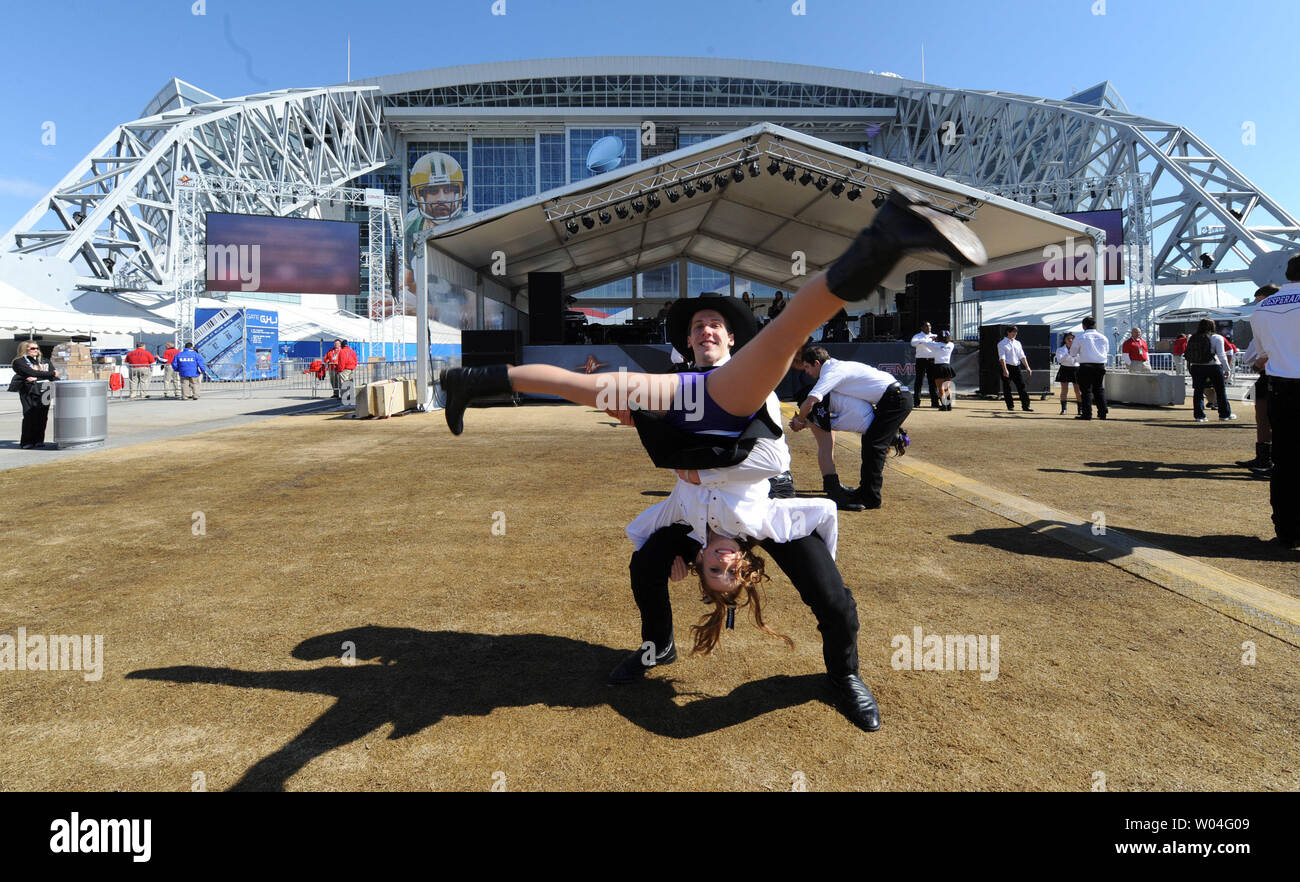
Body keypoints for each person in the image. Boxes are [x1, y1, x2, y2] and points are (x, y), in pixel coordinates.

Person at [440, 186, 988, 731]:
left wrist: (697, 468)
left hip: (766, 506)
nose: (705, 329)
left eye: (715, 325)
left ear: (729, 340)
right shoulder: (674, 388)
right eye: (697, 326)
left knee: (833, 599)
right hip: (702, 504)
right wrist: (655, 438)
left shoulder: (747, 381)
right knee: (604, 419)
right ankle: (658, 646)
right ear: (687, 343)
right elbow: (612, 406)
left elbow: (771, 458)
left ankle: (842, 675)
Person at [789, 344, 912, 511]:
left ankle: (871, 497)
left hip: (895, 399)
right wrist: (805, 422)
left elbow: (810, 402)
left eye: (807, 367)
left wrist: (799, 421)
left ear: (817, 363)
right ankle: (866, 490)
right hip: (893, 397)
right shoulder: (837, 367)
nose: (806, 372)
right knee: (871, 442)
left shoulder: (831, 372)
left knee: (874, 445)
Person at [1248, 256, 1299, 550]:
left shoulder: (1263, 306)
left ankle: (1287, 530)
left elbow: (1262, 355)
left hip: (1281, 388)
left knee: (1286, 461)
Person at [1237, 285, 1279, 476]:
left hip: (1270, 376)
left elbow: (1251, 357)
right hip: (1286, 375)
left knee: (1264, 418)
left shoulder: (1265, 322)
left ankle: (1264, 458)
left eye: (1258, 299)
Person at [1186, 318, 1237, 422]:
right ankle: (1224, 414)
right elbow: (1222, 355)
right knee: (1220, 391)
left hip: (1196, 366)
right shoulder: (1217, 337)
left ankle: (1199, 416)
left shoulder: (1193, 338)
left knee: (1198, 392)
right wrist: (1227, 369)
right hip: (1213, 366)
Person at [10, 340, 58, 449]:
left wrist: (41, 376)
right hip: (29, 389)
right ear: (25, 349)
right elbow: (31, 373)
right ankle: (27, 441)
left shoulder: (44, 361)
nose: (36, 350)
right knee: (29, 415)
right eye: (32, 348)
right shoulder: (19, 361)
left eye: (37, 348)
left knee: (42, 416)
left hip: (47, 389)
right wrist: (49, 374)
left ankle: (39, 440)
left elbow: (55, 376)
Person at [1069, 316, 1109, 420]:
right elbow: (1106, 351)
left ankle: (1087, 414)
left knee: (1086, 390)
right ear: (1095, 325)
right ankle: (1102, 412)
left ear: (1083, 326)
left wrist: (1079, 356)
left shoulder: (1080, 337)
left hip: (1085, 366)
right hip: (1100, 365)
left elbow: (1072, 353)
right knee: (1099, 389)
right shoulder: (1103, 337)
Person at [997, 325, 1034, 412]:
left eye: (1015, 332)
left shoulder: (1018, 343)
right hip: (1006, 366)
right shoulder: (1002, 343)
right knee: (1007, 387)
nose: (1015, 333)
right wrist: (1005, 369)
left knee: (1021, 386)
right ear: (1008, 332)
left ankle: (1026, 406)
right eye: (1013, 331)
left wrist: (1027, 367)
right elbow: (1002, 357)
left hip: (1016, 366)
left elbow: (1022, 356)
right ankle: (1010, 405)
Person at [910, 322, 941, 408]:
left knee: (932, 382)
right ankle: (916, 402)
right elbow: (913, 343)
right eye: (926, 326)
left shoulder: (935, 336)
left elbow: (942, 343)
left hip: (932, 360)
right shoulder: (917, 336)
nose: (928, 327)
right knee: (919, 382)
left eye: (930, 326)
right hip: (921, 360)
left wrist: (935, 340)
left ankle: (935, 402)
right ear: (922, 327)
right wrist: (924, 341)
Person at [1055, 332, 1082, 416]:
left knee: (1077, 391)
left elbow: (1079, 359)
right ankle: (1064, 409)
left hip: (1076, 369)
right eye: (1068, 338)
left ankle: (1080, 409)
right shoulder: (1060, 349)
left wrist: (1073, 355)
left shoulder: (1078, 349)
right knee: (1064, 390)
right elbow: (1060, 360)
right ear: (1065, 340)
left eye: (1072, 338)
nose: (1070, 340)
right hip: (1065, 369)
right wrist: (1068, 353)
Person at [931, 330, 956, 410]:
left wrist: (934, 339)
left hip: (939, 366)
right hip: (947, 366)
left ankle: (944, 405)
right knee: (947, 387)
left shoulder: (935, 345)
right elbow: (948, 342)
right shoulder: (951, 345)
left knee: (940, 388)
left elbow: (926, 343)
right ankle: (949, 405)